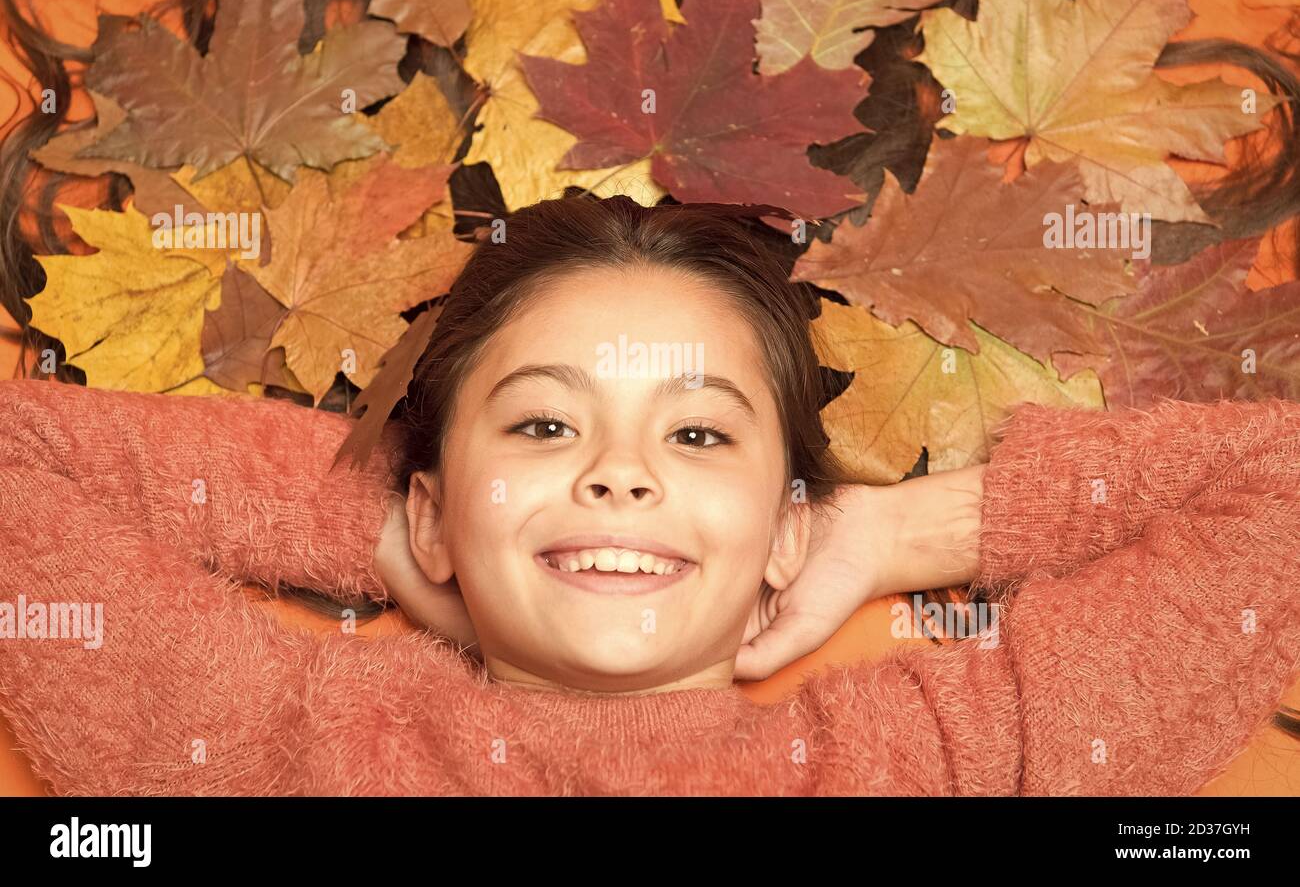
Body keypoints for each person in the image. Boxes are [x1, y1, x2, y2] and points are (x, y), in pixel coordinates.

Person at [0, 195, 1297, 796]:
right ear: (435, 505)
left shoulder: (915, 767)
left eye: (694, 432)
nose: (619, 473)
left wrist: (887, 530)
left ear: (786, 526)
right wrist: (410, 521)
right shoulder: (293, 754)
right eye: (549, 423)